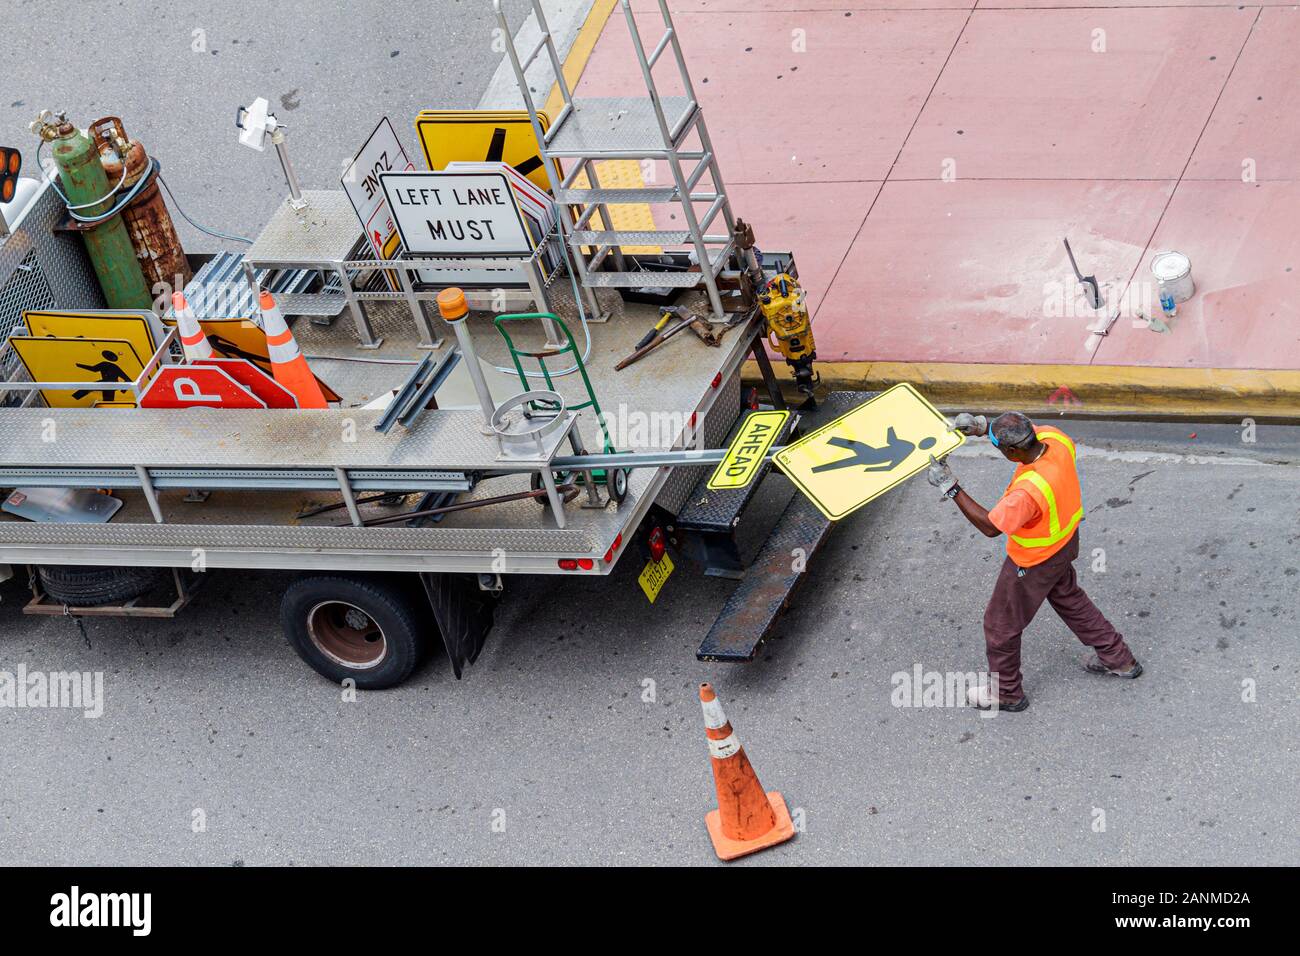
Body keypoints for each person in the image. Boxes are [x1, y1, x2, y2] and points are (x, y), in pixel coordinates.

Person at [927, 412, 1141, 712]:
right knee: (1070, 599)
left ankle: (1007, 693)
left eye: (999, 447)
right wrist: (983, 427)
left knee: (1000, 625)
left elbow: (990, 526)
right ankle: (1118, 658)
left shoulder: (1027, 492)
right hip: (1064, 543)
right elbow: (1024, 432)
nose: (999, 449)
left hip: (1034, 562)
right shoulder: (1056, 439)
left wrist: (950, 487)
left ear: (1012, 452)